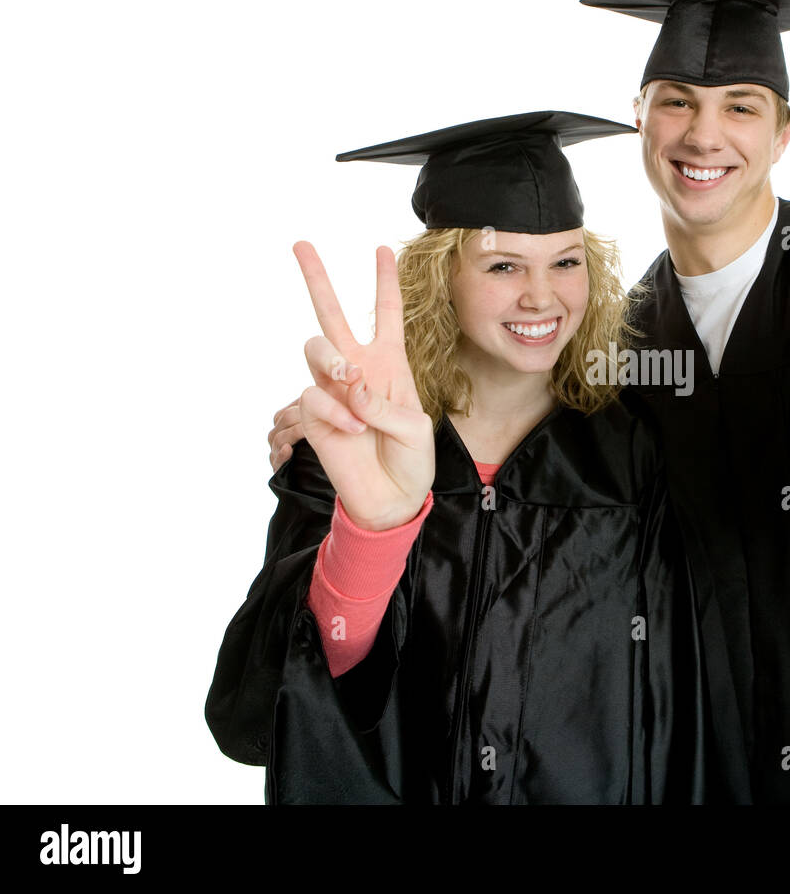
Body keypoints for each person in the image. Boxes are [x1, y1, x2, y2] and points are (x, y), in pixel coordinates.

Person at [269, 0, 790, 804]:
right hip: (710, 777)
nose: (704, 134)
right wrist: (363, 495)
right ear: (639, 118)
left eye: (741, 106)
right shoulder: (621, 351)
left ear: (785, 133)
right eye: (677, 99)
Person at [207, 111, 708, 804]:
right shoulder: (351, 452)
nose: (542, 296)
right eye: (504, 266)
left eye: (566, 261)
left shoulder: (637, 458)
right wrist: (373, 532)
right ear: (440, 279)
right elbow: (260, 721)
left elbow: (678, 708)